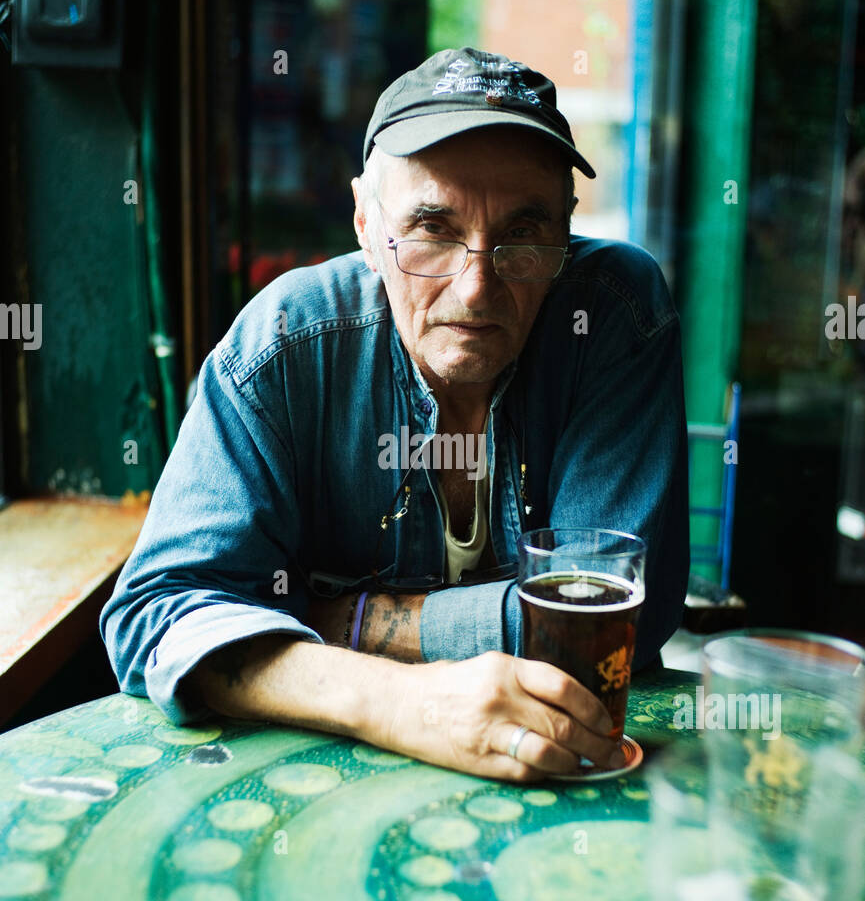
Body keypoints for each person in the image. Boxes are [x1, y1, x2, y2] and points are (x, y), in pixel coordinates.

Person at [100, 47, 689, 783]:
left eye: (522, 234)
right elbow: (157, 616)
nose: (475, 288)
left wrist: (335, 622)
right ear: (365, 224)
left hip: (579, 763)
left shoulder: (613, 315)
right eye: (431, 230)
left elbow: (603, 623)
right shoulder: (284, 344)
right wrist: (398, 702)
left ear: (565, 232)